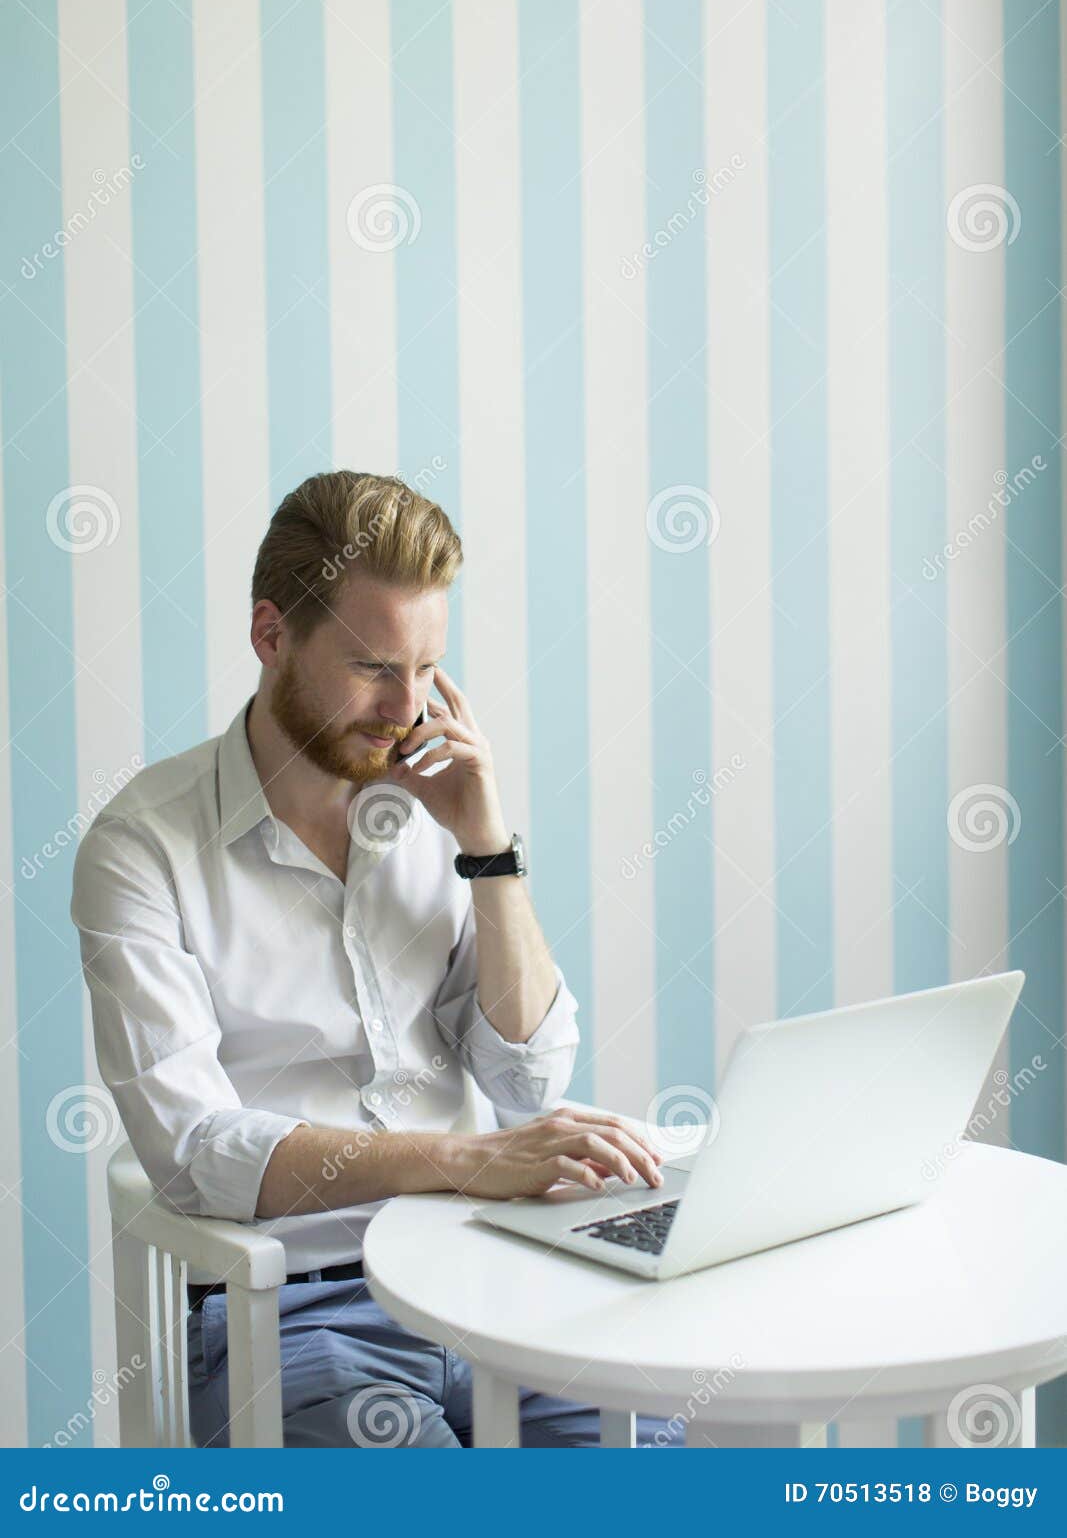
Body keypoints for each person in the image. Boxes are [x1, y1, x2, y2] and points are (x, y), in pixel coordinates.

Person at [72, 470, 682, 1447]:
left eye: (427, 668)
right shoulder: (142, 846)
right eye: (372, 668)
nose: (407, 707)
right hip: (292, 1312)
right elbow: (194, 1152)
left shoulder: (435, 813)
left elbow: (527, 1081)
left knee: (669, 1466)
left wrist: (487, 850)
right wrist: (468, 1161)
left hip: (486, 1278)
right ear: (271, 635)